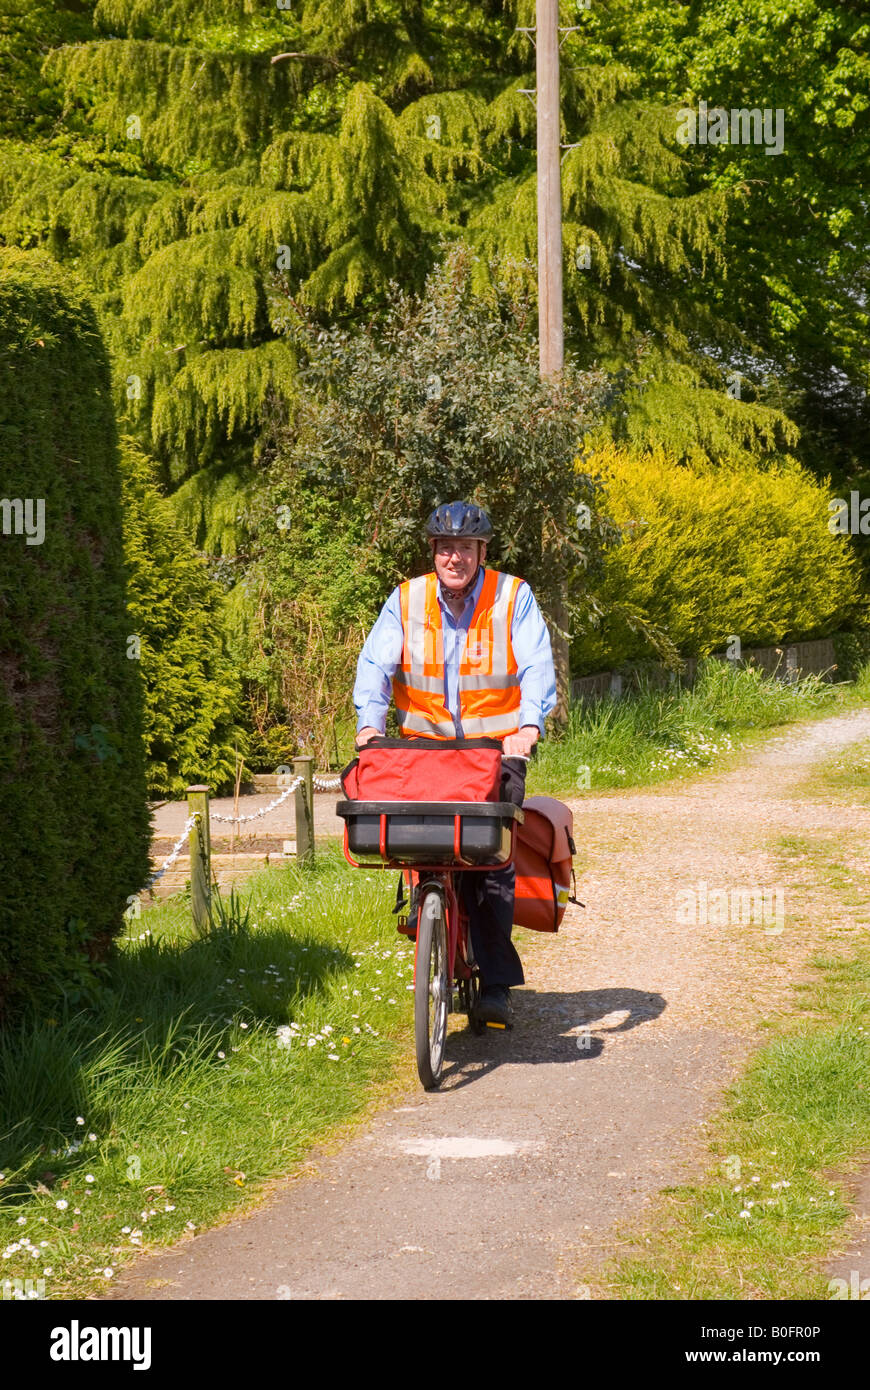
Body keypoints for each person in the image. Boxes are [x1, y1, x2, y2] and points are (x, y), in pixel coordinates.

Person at [352, 500, 557, 1026]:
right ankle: (431, 922)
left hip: (495, 749)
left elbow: (535, 663)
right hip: (424, 751)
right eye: (445, 548)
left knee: (493, 864)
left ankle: (495, 985)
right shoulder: (407, 599)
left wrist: (528, 728)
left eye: (465, 548)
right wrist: (369, 725)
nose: (454, 557)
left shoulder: (513, 596)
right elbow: (376, 663)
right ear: (433, 552)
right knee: (421, 850)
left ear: (481, 551)